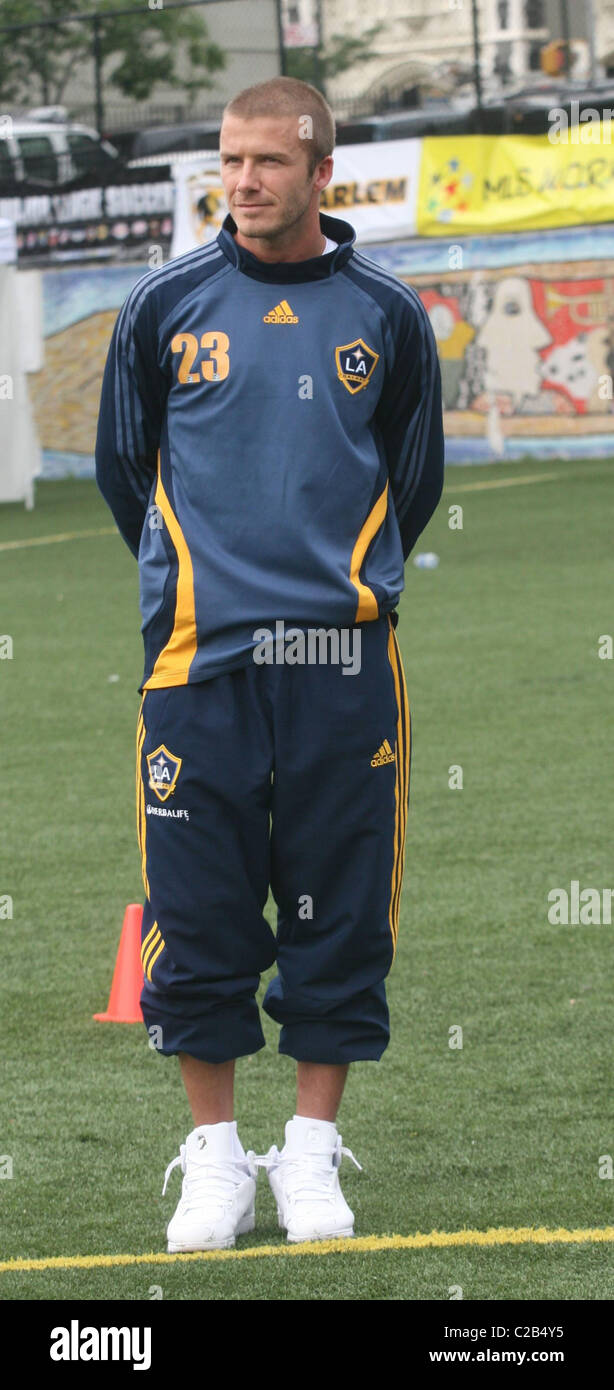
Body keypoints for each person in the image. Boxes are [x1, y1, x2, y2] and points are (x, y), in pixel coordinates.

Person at [95, 76, 444, 1252]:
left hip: (343, 665)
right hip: (199, 662)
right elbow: (123, 472)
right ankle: (212, 1162)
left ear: (319, 175)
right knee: (197, 916)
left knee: (337, 911)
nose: (243, 183)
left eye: (268, 164)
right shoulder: (162, 306)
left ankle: (304, 1154)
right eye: (229, 163)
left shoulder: (386, 315)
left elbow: (414, 480)